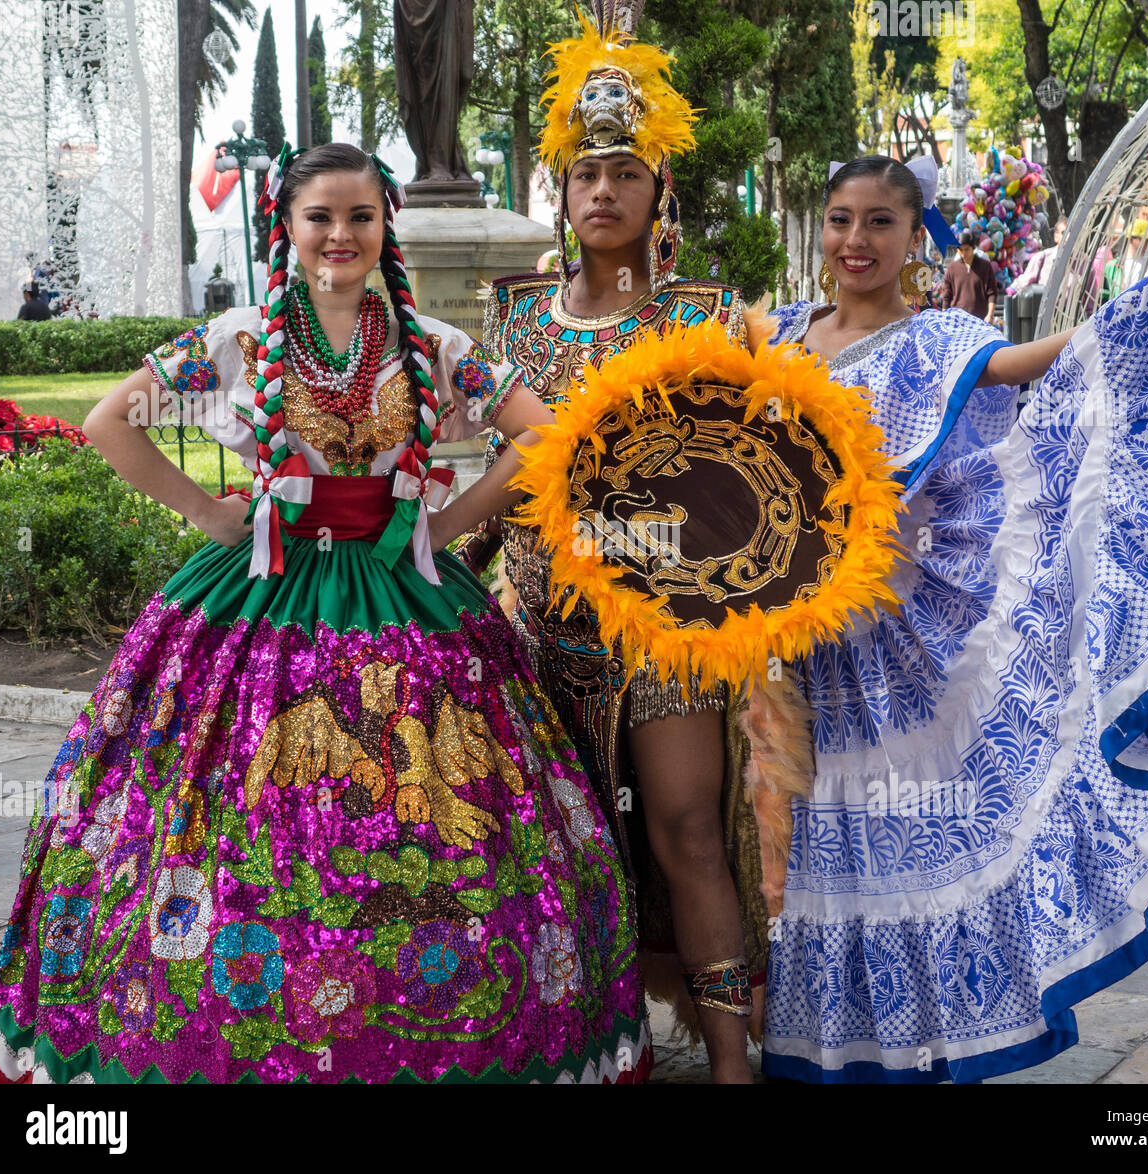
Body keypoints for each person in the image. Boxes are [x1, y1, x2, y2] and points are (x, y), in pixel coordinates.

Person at [0, 142, 650, 1085]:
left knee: (425, 809)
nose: (341, 235)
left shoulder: (431, 345)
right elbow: (109, 421)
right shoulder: (242, 337)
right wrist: (215, 516)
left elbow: (543, 437)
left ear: (387, 227)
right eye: (320, 218)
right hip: (260, 592)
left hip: (405, 593)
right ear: (287, 229)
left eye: (361, 217)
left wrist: (449, 521)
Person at [759, 154, 1148, 1083]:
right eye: (838, 220)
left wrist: (1145, 314)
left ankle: (917, 1039)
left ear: (915, 237)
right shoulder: (773, 335)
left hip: (896, 637)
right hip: (784, 637)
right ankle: (812, 1039)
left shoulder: (940, 338)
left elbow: (1030, 363)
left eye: (878, 223)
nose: (854, 242)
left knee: (900, 815)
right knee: (804, 821)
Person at [457, 8, 772, 1083]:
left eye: (624, 173)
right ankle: (586, 1045)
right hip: (537, 621)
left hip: (667, 628)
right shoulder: (513, 317)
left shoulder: (706, 314)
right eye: (585, 173)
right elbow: (496, 479)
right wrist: (436, 560)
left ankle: (729, 1057)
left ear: (658, 195)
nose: (602, 191)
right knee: (553, 843)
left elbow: (748, 475)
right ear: (559, 194)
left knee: (684, 829)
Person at [940, 229, 997, 322]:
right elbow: (947, 294)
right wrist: (944, 317)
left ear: (974, 248)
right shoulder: (952, 268)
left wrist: (990, 315)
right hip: (957, 320)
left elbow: (992, 292)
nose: (963, 253)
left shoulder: (985, 266)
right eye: (960, 250)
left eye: (966, 249)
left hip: (980, 320)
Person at [1006, 217, 1066, 295]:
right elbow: (1024, 281)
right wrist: (1012, 291)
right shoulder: (1042, 258)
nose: (1068, 236)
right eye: (1064, 233)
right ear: (1056, 236)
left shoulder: (1082, 263)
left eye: (1072, 232)